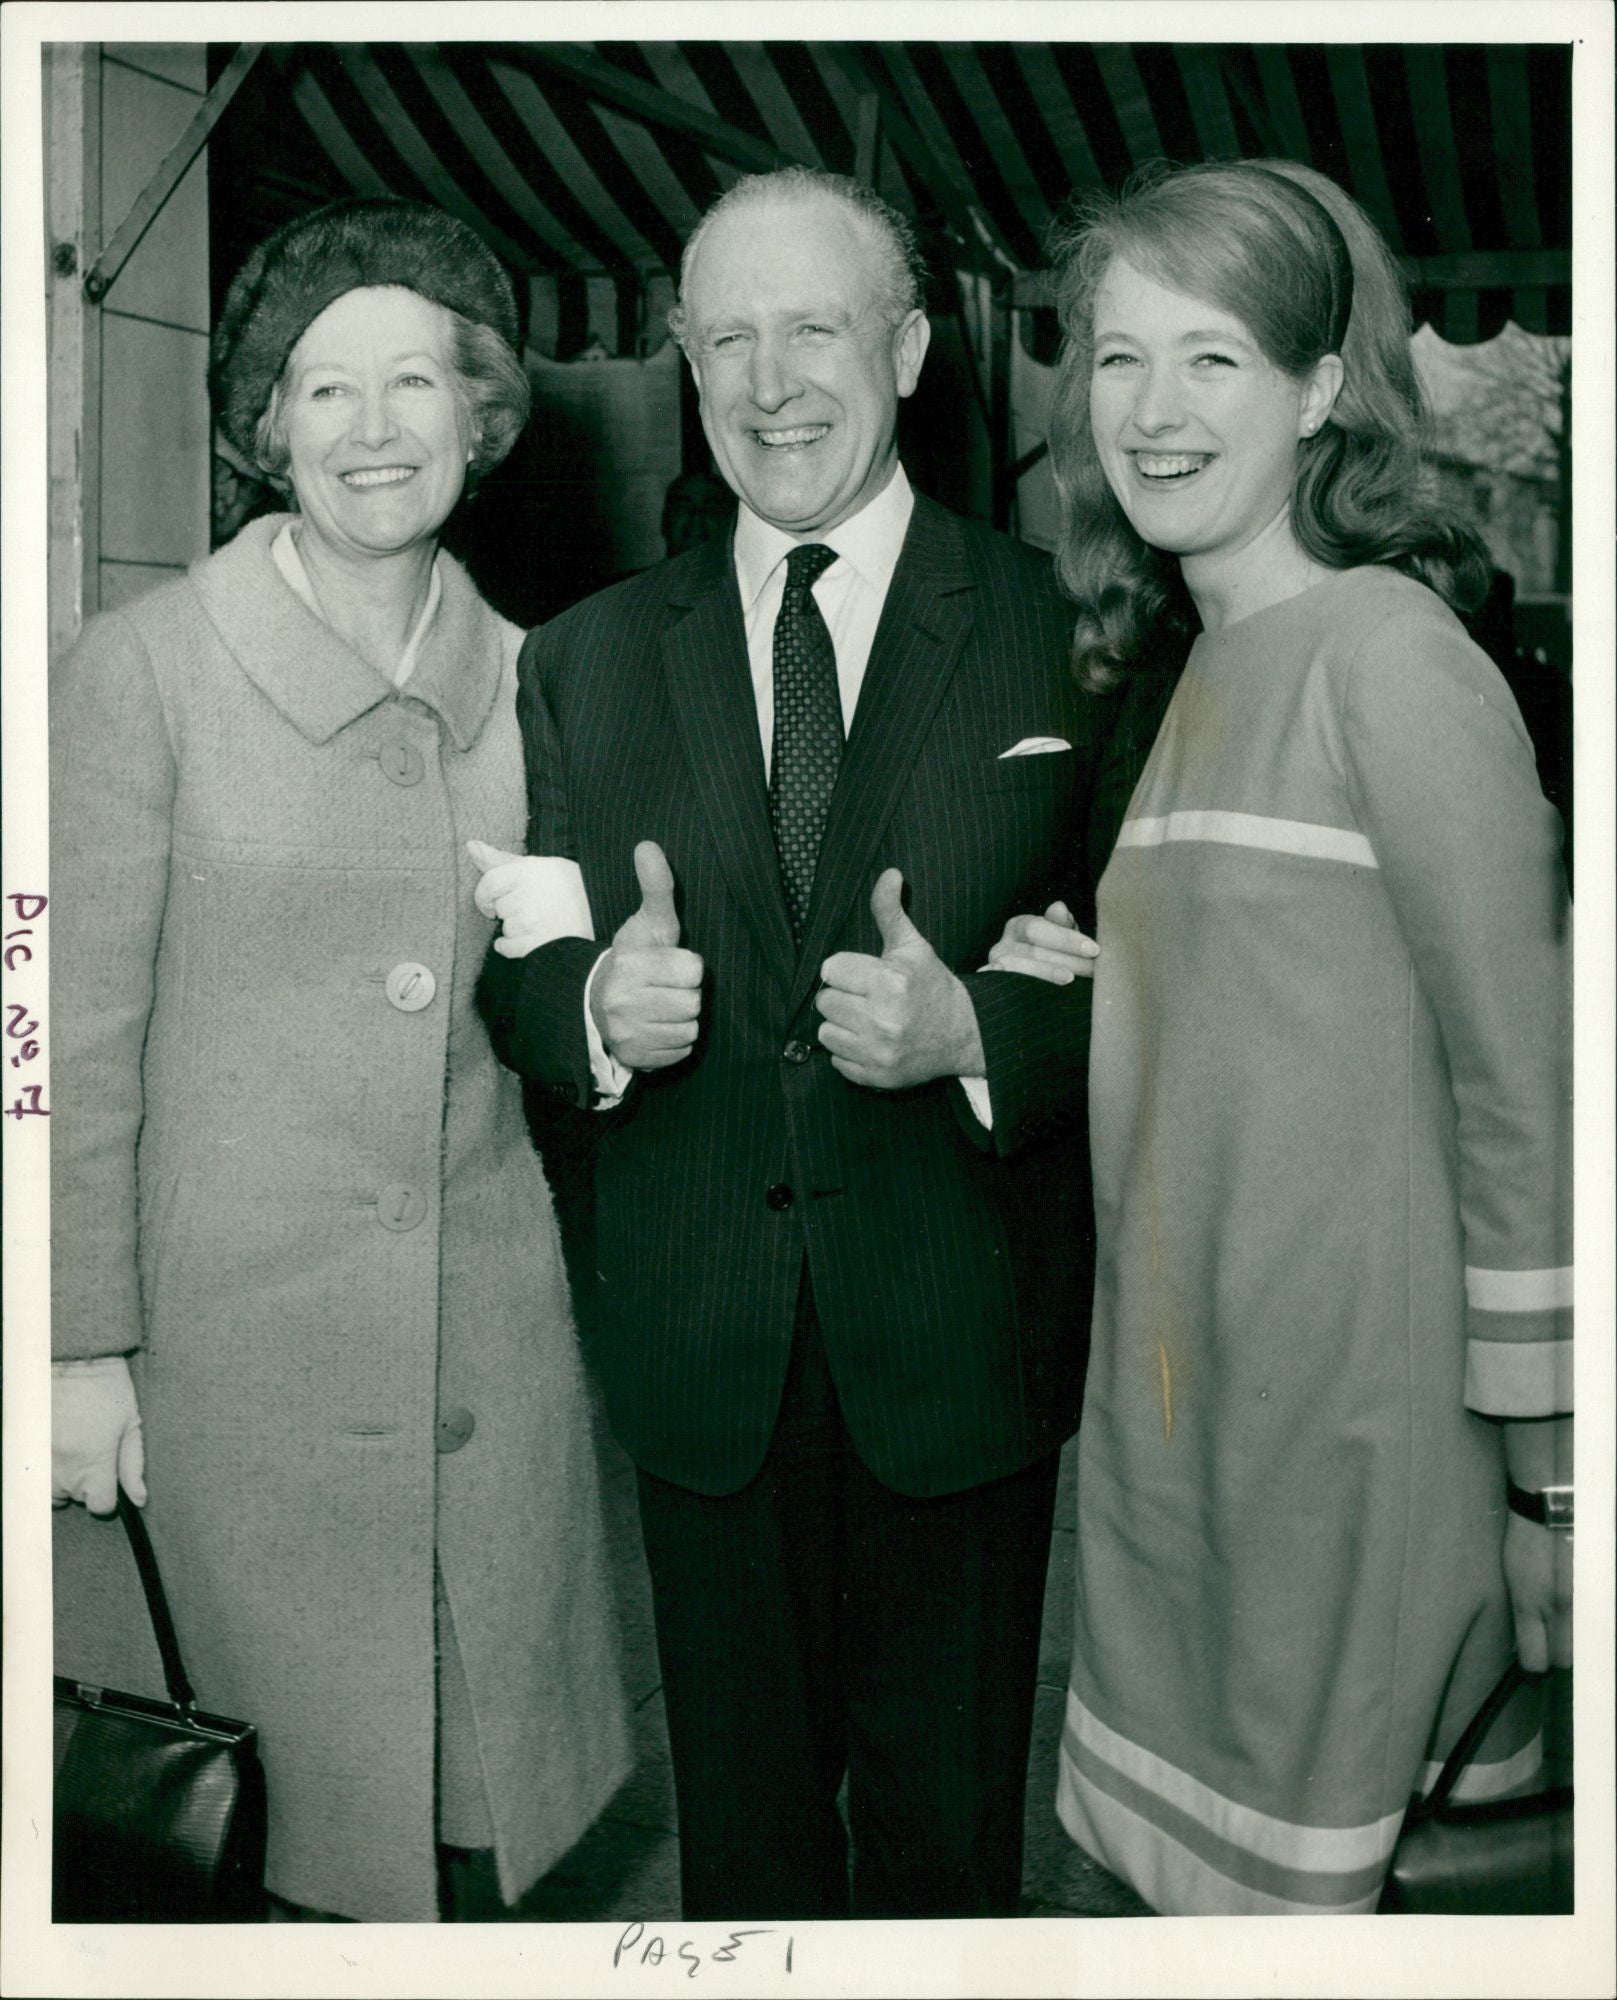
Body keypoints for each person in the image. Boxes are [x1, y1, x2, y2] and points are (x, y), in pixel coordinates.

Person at [475, 166, 1104, 1919]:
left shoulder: (1077, 631)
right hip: (698, 1349)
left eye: (813, 327)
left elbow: (1163, 972)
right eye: (727, 336)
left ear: (905, 350)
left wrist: (982, 1026)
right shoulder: (584, 661)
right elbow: (514, 957)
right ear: (680, 356)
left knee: (945, 1866)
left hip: (960, 1337)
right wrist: (591, 1007)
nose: (770, 382)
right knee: (741, 1870)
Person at [990, 158, 1572, 1915]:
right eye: (1115, 358)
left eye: (1215, 360)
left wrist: (1556, 1502)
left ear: (1323, 389)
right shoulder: (1188, 665)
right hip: (1184, 1448)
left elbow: (1525, 1097)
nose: (1152, 414)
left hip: (1358, 1466)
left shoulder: (1389, 658)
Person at [49, 197, 630, 1922]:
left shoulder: (539, 681)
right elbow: (53, 1032)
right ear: (263, 428)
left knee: (454, 1819)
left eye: (415, 385)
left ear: (483, 413)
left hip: (480, 1355)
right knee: (262, 1836)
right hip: (220, 1382)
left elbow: (554, 985)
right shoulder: (140, 672)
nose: (374, 431)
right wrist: (75, 1345)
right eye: (324, 391)